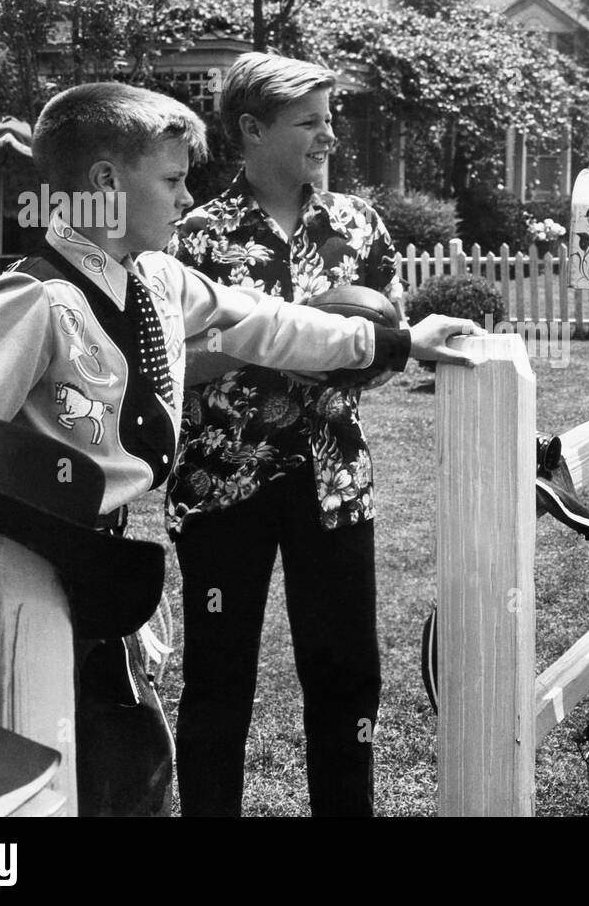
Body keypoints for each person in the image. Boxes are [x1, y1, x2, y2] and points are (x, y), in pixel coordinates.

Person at [0, 81, 484, 815]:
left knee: (122, 767)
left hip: (98, 570)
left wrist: (397, 340)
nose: (183, 197)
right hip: (12, 573)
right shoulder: (33, 299)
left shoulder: (160, 279)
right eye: (170, 180)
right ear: (107, 183)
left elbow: (273, 323)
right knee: (31, 773)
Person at [166, 53, 408, 816]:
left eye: (329, 118)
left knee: (346, 678)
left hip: (335, 483)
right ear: (251, 128)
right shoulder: (195, 237)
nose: (329, 135)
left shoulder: (358, 226)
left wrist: (359, 360)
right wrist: (280, 346)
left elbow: (388, 342)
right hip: (222, 484)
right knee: (217, 683)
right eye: (309, 121)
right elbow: (170, 362)